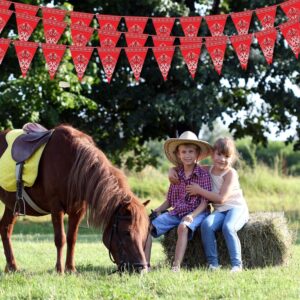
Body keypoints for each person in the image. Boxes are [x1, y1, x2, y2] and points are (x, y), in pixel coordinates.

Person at [169, 137, 249, 272]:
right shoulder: (208, 169)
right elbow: (186, 167)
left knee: (228, 227)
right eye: (218, 154)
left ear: (232, 158)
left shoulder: (230, 173)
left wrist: (199, 190)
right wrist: (171, 170)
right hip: (220, 211)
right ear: (212, 154)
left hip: (236, 208)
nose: (222, 159)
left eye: (226, 156)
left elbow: (221, 199)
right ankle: (213, 264)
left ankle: (237, 265)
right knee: (206, 225)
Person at [145, 131, 212, 272]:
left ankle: (176, 266)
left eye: (191, 151)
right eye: (184, 152)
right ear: (178, 154)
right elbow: (169, 201)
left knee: (183, 227)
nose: (187, 155)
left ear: (197, 154)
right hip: (177, 212)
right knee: (147, 227)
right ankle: (146, 265)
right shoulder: (176, 175)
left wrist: (191, 216)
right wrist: (155, 211)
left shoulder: (203, 175)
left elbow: (205, 202)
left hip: (197, 212)